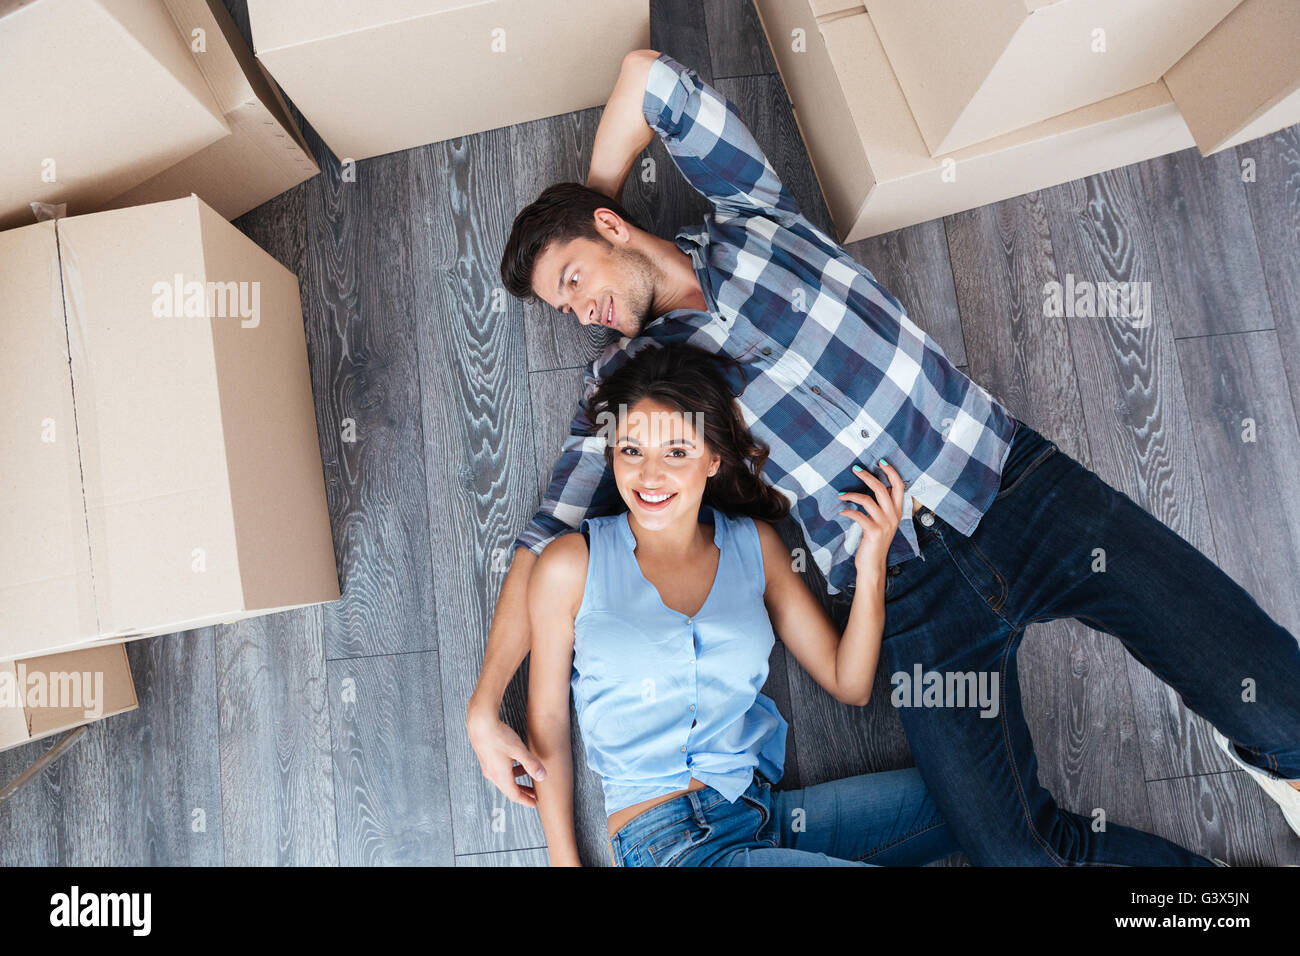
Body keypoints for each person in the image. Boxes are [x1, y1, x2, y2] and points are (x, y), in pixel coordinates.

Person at [469, 48, 1300, 864]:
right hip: (906, 590)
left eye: (574, 278)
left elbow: (649, 78)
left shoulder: (757, 216)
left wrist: (595, 201)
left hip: (1014, 487)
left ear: (610, 228)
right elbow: (546, 540)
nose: (581, 310)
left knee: (1277, 705)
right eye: (563, 304)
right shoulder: (634, 382)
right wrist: (484, 703)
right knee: (1010, 852)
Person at [526, 341, 960, 866]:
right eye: (632, 449)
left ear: (713, 460)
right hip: (666, 845)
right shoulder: (571, 564)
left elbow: (850, 681)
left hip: (763, 818)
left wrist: (872, 564)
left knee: (970, 797)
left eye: (677, 452)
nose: (650, 475)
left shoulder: (755, 547)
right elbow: (547, 718)